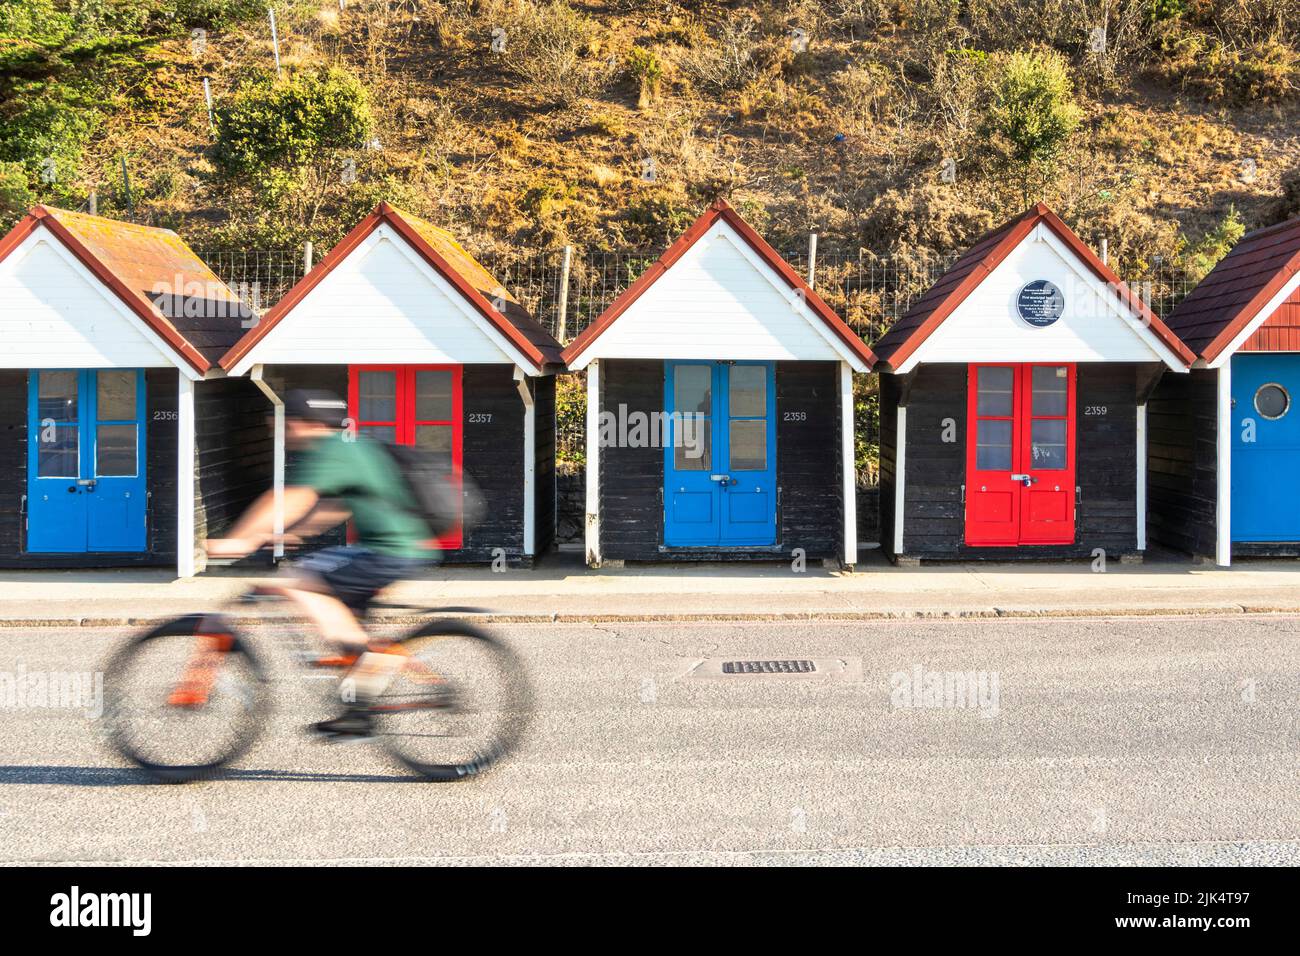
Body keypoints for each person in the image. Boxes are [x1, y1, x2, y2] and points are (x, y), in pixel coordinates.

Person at [206, 389, 435, 738]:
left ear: (307, 424)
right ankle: (357, 709)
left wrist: (242, 539)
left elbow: (289, 499)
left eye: (286, 424)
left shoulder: (330, 450)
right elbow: (341, 505)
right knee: (337, 606)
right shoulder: (353, 447)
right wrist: (295, 533)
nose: (280, 431)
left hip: (388, 550)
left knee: (300, 581)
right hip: (398, 547)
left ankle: (374, 662)